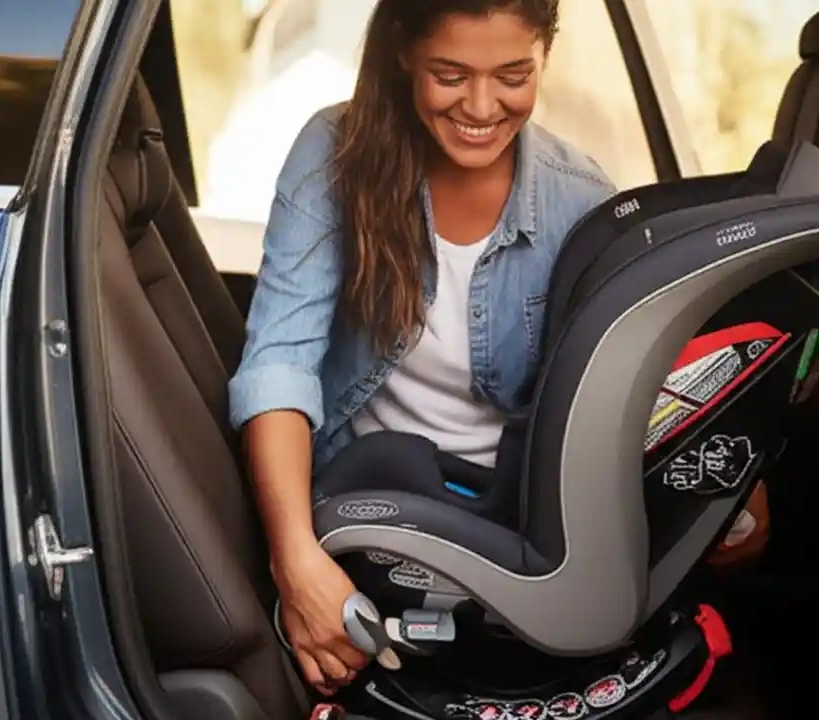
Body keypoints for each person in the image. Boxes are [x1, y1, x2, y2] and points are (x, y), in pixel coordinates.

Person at [228, 0, 769, 698]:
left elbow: (639, 371)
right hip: (369, 508)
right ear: (402, 53)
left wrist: (736, 482)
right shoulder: (334, 155)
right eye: (449, 74)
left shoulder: (579, 198)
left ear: (545, 53)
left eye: (513, 73)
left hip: (516, 524)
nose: (481, 106)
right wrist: (295, 562)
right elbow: (279, 364)